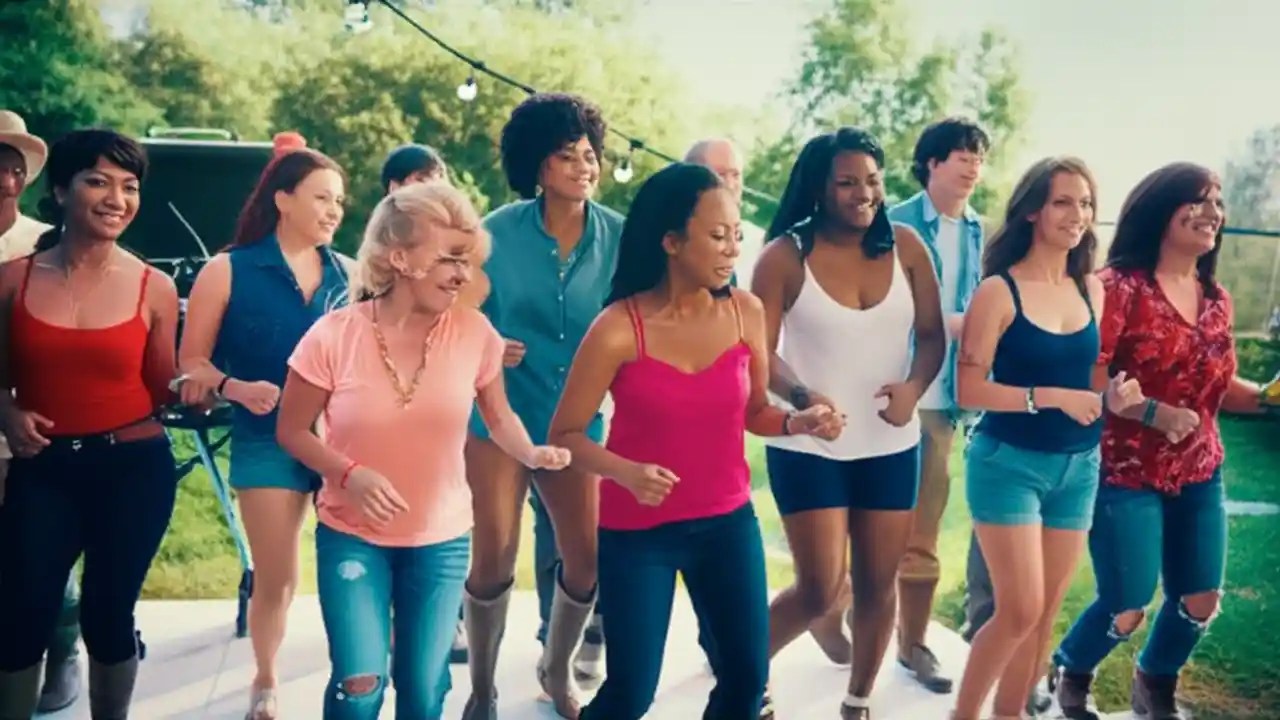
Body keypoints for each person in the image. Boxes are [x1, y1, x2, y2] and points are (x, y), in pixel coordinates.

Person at [549, 162, 841, 720]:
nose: (732, 248)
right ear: (671, 242)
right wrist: (627, 472)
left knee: (747, 680)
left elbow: (755, 411)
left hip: (726, 525)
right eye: (716, 236)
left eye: (736, 234)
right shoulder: (618, 328)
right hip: (639, 537)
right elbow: (564, 434)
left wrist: (797, 421)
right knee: (630, 694)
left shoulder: (745, 312)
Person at [275, 180, 571, 719]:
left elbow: (499, 417)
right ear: (400, 257)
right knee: (360, 683)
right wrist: (350, 474)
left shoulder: (476, 333)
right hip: (351, 537)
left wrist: (532, 453)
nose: (464, 274)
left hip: (441, 540)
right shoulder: (332, 336)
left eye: (469, 259)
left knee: (423, 688)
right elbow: (292, 431)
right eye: (451, 259)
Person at [1050, 163, 1263, 720]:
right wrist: (1151, 412)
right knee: (1126, 605)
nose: (1212, 211)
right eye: (1197, 199)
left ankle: (1155, 685)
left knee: (1200, 599)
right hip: (1124, 470)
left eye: (1217, 201)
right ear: (1159, 208)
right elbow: (1085, 376)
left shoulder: (1216, 298)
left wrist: (1268, 394)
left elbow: (1219, 389)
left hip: (1199, 469)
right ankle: (1070, 670)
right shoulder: (1118, 288)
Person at [752, 127, 946, 720]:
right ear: (818, 188)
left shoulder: (908, 246)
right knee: (818, 588)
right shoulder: (784, 256)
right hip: (810, 445)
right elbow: (758, 352)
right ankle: (743, 667)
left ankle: (859, 701)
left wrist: (913, 390)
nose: (865, 193)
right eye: (847, 182)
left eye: (873, 180)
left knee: (876, 582)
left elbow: (932, 336)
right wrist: (804, 397)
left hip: (890, 443)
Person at [949, 157, 1144, 720]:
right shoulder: (998, 291)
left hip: (1077, 468)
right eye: (1063, 201)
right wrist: (1048, 397)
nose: (1077, 214)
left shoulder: (1090, 290)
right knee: (1017, 610)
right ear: (1033, 209)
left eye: (1085, 204)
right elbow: (969, 388)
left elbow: (1085, 382)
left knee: (1044, 613)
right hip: (1008, 465)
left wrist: (1113, 401)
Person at [0, 129, 181, 719]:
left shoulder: (156, 287)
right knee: (22, 614)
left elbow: (162, 389)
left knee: (108, 615)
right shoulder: (12, 281)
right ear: (59, 190)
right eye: (98, 181)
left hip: (132, 469)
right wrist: (6, 410)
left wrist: (208, 388)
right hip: (43, 469)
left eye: (130, 187)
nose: (116, 198)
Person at [460, 92, 623, 720]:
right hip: (497, 419)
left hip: (576, 423)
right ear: (537, 165)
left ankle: (557, 674)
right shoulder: (495, 233)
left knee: (585, 561)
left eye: (590, 154)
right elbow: (456, 314)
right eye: (566, 155)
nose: (584, 165)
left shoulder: (619, 237)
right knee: (494, 552)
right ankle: (481, 688)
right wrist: (489, 344)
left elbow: (637, 320)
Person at [177, 143, 351, 719]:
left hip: (341, 442)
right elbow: (191, 367)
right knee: (278, 574)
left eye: (340, 202)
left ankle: (357, 671)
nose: (334, 211)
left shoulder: (351, 275)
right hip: (265, 439)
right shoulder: (226, 269)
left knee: (349, 570)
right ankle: (266, 679)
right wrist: (235, 388)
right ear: (282, 199)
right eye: (322, 198)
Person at [885, 116, 992, 697]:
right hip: (890, 387)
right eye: (962, 155)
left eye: (979, 157)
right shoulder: (894, 221)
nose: (974, 166)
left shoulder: (981, 231)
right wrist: (947, 324)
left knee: (923, 526)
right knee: (871, 518)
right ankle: (836, 607)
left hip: (947, 399)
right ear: (931, 163)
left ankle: (912, 644)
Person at [0, 110, 87, 715]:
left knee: (39, 548)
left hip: (35, 421)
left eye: (12, 168)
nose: (4, 179)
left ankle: (63, 649)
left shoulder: (42, 243)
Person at [376, 142, 474, 666]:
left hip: (445, 405)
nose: (426, 187)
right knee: (390, 511)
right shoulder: (379, 253)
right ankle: (392, 618)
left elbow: (477, 306)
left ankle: (448, 619)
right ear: (392, 189)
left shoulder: (461, 245)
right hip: (386, 406)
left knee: (444, 507)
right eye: (414, 178)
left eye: (434, 177)